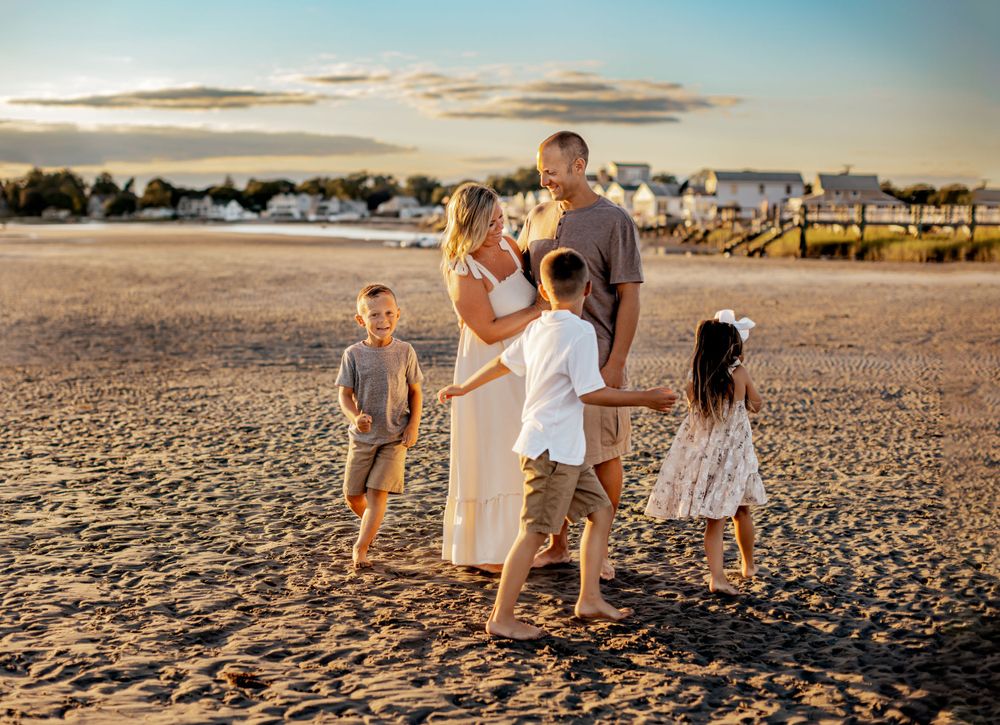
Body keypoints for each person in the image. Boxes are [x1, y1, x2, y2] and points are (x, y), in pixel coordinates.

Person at [438, 248, 676, 640]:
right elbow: (591, 393)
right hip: (550, 453)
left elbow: (502, 363)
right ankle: (501, 616)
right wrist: (644, 398)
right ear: (588, 289)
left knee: (600, 512)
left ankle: (589, 598)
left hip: (564, 451)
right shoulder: (580, 333)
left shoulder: (537, 328)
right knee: (533, 533)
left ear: (543, 293)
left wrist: (465, 385)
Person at [519, 130, 643, 580]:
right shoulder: (535, 216)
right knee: (558, 453)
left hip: (597, 356)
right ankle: (558, 545)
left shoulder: (614, 221)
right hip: (547, 363)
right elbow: (520, 283)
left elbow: (629, 296)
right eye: (539, 171)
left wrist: (615, 363)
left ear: (578, 165)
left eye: (549, 171)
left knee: (603, 453)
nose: (543, 179)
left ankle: (600, 550)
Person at [440, 183, 542, 572]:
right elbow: (487, 330)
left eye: (502, 218)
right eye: (490, 223)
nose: (499, 227)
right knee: (496, 448)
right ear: (468, 225)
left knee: (521, 447)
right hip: (489, 368)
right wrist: (537, 310)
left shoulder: (510, 247)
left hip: (523, 365)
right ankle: (488, 548)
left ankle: (522, 540)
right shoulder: (463, 268)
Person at [644, 312, 767, 595]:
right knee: (740, 511)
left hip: (708, 457)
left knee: (717, 518)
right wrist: (745, 395)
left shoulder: (696, 379)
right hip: (736, 457)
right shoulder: (739, 373)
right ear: (733, 348)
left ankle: (723, 573)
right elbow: (757, 405)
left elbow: (696, 414)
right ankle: (741, 568)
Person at [337, 284, 423, 569]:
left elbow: (415, 392)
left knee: (377, 494)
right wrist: (355, 418)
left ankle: (361, 547)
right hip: (362, 438)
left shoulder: (405, 351)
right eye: (374, 315)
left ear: (398, 314)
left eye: (388, 313)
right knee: (353, 496)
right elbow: (344, 395)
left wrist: (414, 425)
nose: (382, 320)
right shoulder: (353, 354)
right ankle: (371, 526)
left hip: (394, 436)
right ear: (361, 320)